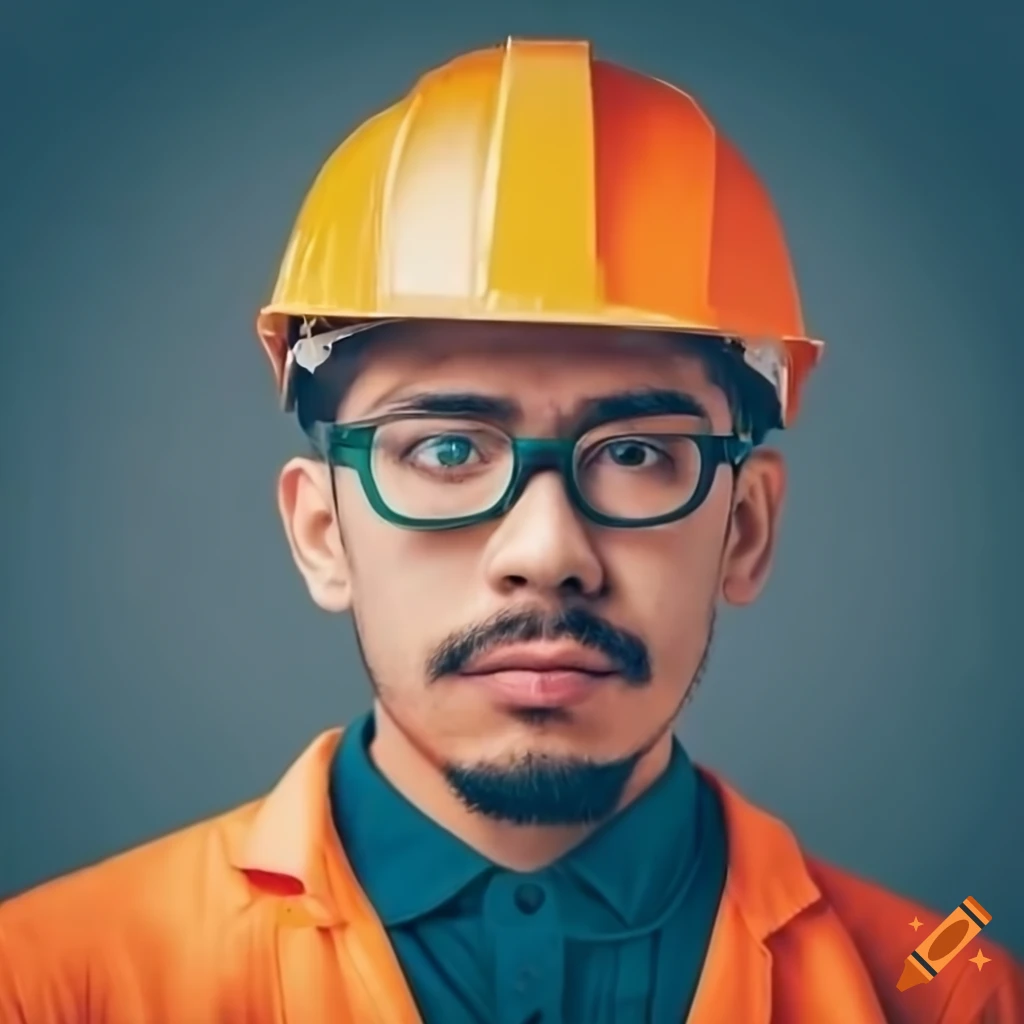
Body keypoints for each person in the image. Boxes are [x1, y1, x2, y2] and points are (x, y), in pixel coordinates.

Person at [0, 37, 1020, 1024]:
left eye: (633, 453)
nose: (546, 554)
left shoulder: (945, 985)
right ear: (320, 533)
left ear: (745, 530)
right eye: (446, 451)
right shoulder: (45, 980)